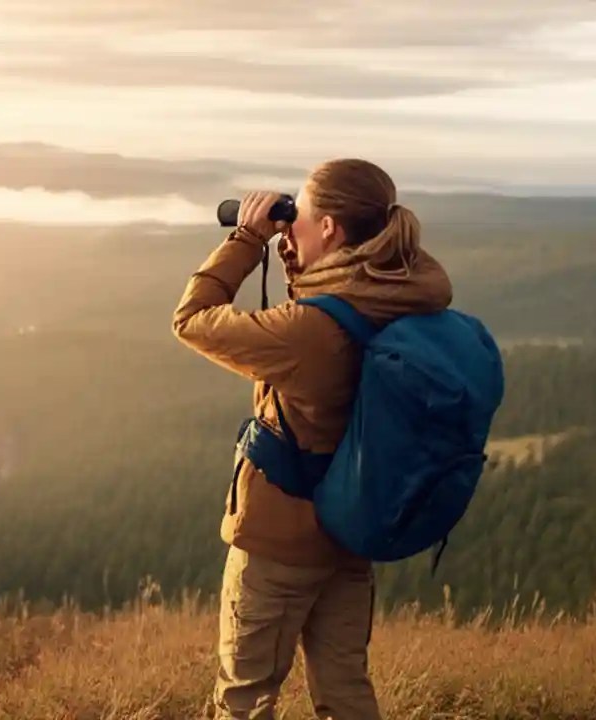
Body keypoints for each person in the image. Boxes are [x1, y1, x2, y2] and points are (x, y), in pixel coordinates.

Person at [172, 159, 453, 720]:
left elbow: (193, 318)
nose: (289, 224)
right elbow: (338, 310)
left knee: (246, 698)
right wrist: (302, 262)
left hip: (279, 542)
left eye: (299, 214)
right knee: (346, 693)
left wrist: (248, 238)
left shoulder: (307, 333)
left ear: (328, 228)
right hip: (350, 531)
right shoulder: (402, 299)